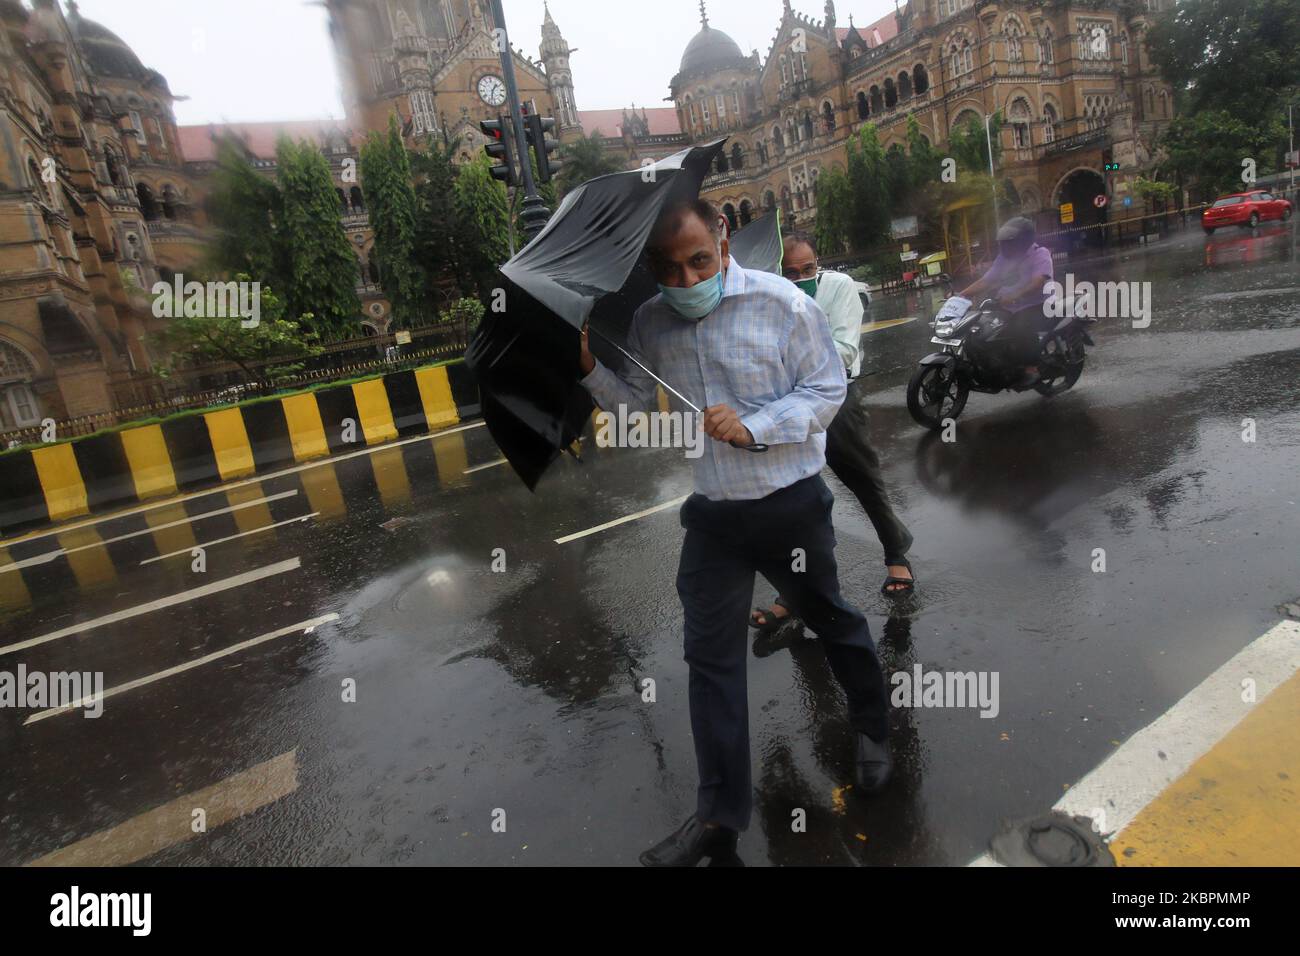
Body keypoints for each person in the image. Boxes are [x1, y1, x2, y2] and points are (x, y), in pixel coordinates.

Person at [578, 198, 893, 867]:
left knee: (831, 617)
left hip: (791, 506)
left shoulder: (784, 304)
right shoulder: (650, 321)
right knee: (710, 662)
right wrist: (589, 370)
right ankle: (718, 816)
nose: (688, 282)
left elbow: (825, 391)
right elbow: (634, 405)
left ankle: (872, 726)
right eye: (670, 271)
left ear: (721, 240)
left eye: (698, 261)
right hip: (716, 516)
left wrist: (755, 425)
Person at [751, 234, 915, 644]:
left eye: (807, 270)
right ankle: (794, 592)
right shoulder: (769, 297)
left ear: (817, 265)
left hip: (837, 400)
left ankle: (896, 552)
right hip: (789, 408)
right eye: (791, 272)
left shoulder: (838, 288)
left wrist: (790, 350)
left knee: (863, 479)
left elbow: (842, 351)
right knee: (795, 502)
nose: (800, 277)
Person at [959, 216, 1054, 386]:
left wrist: (1015, 295)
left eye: (1009, 243)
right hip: (1009, 305)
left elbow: (1037, 282)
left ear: (1023, 241)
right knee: (982, 327)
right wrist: (961, 294)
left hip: (1038, 305)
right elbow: (986, 280)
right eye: (1004, 243)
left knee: (1020, 326)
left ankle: (1031, 368)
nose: (1005, 247)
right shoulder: (1004, 258)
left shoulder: (1040, 254)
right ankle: (997, 365)